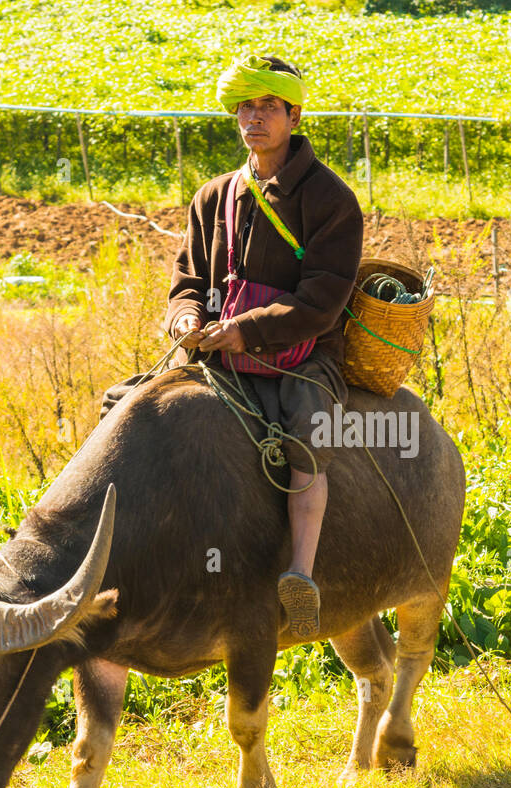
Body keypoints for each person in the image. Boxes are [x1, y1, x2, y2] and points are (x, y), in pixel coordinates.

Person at [100, 54, 364, 639]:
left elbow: (323, 298)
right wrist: (185, 316)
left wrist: (247, 329)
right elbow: (187, 281)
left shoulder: (331, 200)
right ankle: (126, 551)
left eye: (268, 106)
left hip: (298, 355)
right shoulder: (212, 196)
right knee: (122, 407)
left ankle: (299, 574)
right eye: (245, 106)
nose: (254, 117)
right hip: (216, 352)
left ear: (294, 115)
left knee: (307, 432)